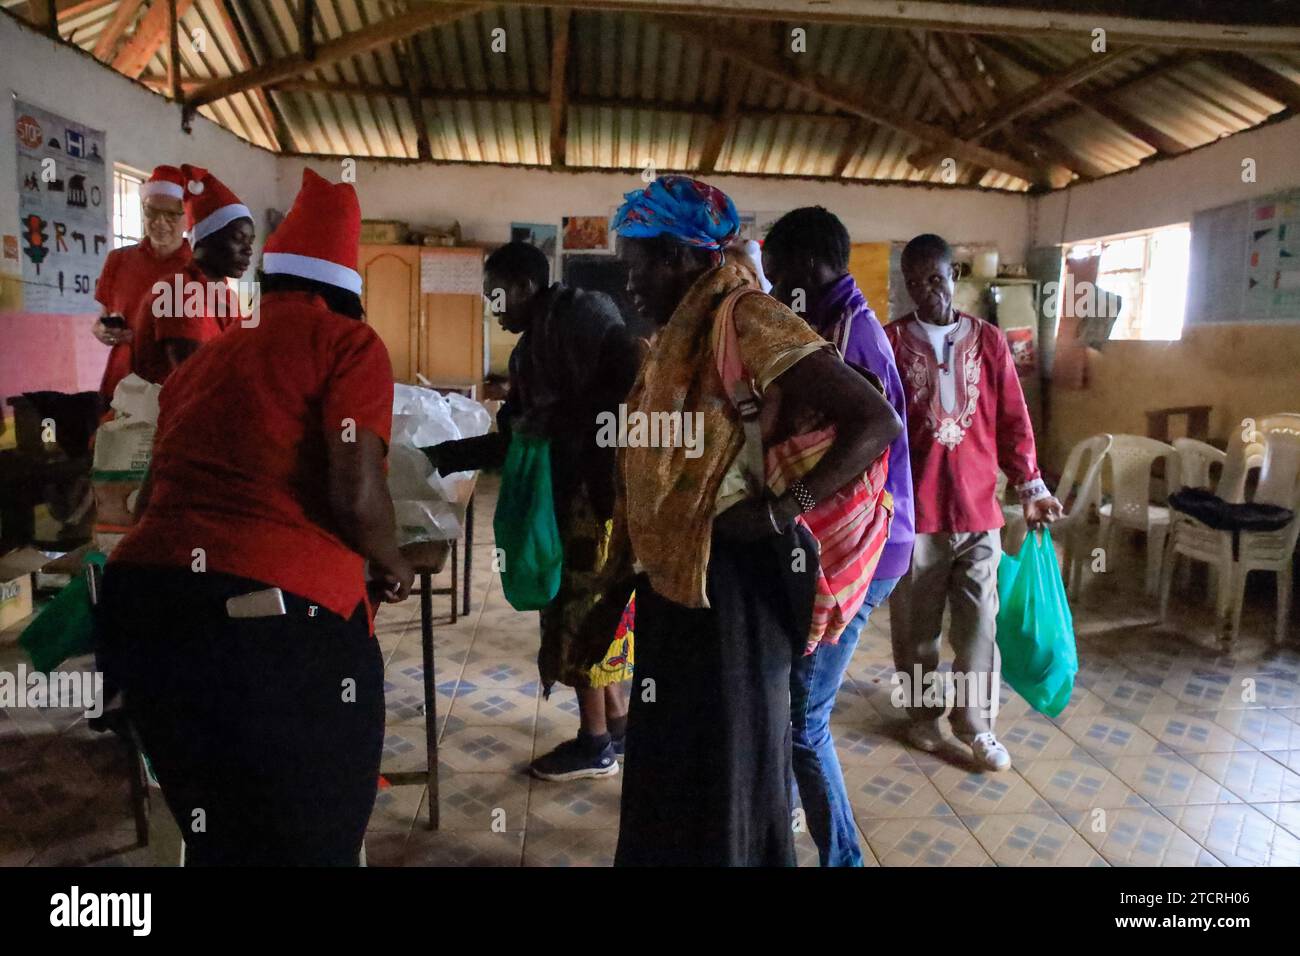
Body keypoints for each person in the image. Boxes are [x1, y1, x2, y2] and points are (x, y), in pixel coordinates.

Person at [580, 176, 901, 866]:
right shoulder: (674, 337)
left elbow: (875, 421)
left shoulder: (745, 316)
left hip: (739, 588)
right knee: (672, 765)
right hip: (677, 587)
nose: (629, 282)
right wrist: (613, 587)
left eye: (636, 265)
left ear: (678, 256)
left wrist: (790, 508)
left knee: (730, 770)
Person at [98, 168, 410, 866]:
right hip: (267, 626)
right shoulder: (348, 344)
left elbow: (152, 503)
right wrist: (390, 561)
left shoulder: (212, 358)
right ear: (346, 289)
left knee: (221, 837)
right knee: (311, 839)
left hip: (145, 613)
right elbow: (358, 492)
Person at [424, 241, 643, 781]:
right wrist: (441, 456)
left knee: (582, 609)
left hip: (599, 495)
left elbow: (629, 378)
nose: (494, 309)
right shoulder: (530, 350)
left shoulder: (582, 316)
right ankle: (616, 721)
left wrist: (566, 424)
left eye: (496, 296)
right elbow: (520, 436)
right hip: (565, 495)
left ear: (522, 286)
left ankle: (595, 742)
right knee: (584, 605)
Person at [762, 205, 913, 867]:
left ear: (810, 266)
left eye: (776, 273)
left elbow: (874, 433)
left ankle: (843, 857)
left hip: (868, 547)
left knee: (803, 719)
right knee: (791, 701)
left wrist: (788, 501)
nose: (769, 288)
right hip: (838, 540)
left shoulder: (852, 334)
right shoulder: (820, 321)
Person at [885, 233, 1062, 773]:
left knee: (979, 628)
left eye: (934, 279)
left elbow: (1013, 418)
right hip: (915, 518)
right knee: (917, 632)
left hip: (979, 510)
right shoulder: (890, 342)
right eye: (914, 282)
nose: (926, 292)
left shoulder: (987, 341)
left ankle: (977, 726)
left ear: (953, 277)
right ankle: (921, 717)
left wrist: (1030, 485)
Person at [128, 164, 254, 384]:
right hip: (162, 415)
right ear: (205, 239)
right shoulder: (178, 292)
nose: (248, 250)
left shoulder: (224, 295)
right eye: (238, 238)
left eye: (250, 241)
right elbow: (197, 380)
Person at [91, 165, 192, 408]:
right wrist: (102, 331)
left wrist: (140, 337)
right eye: (152, 212)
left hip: (176, 386)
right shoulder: (119, 260)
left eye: (171, 215)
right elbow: (102, 319)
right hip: (123, 382)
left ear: (187, 218)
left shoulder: (199, 266)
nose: (160, 222)